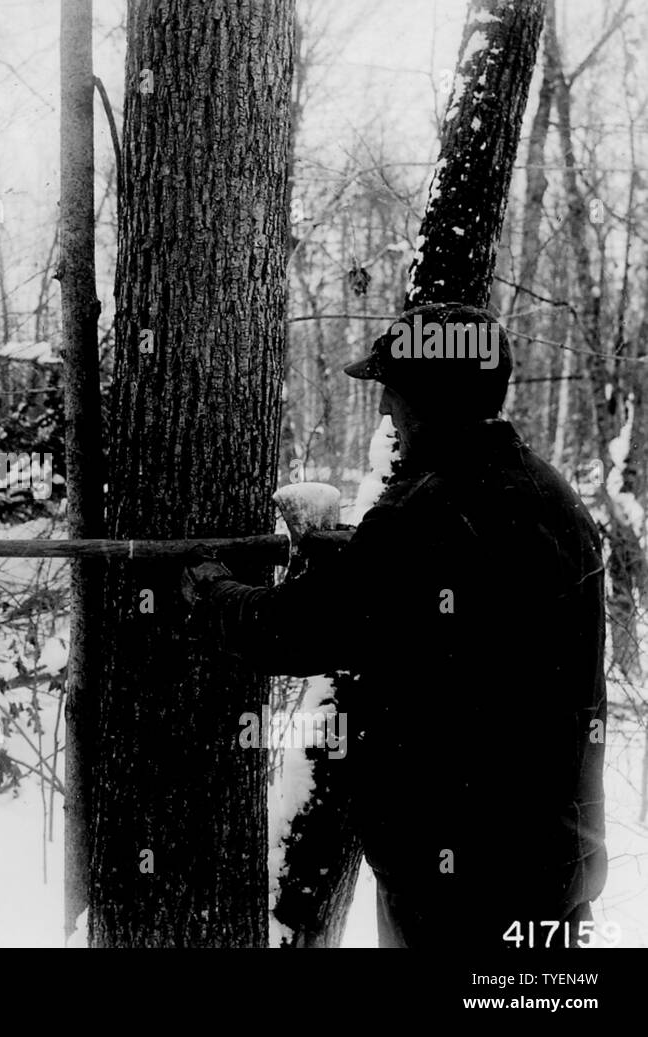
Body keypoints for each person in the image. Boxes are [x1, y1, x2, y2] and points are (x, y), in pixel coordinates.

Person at [182, 302, 607, 948]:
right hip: (557, 876)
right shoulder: (559, 502)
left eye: (393, 392)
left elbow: (294, 628)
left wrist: (211, 589)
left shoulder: (420, 514)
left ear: (429, 398)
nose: (386, 412)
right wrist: (351, 560)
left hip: (456, 890)